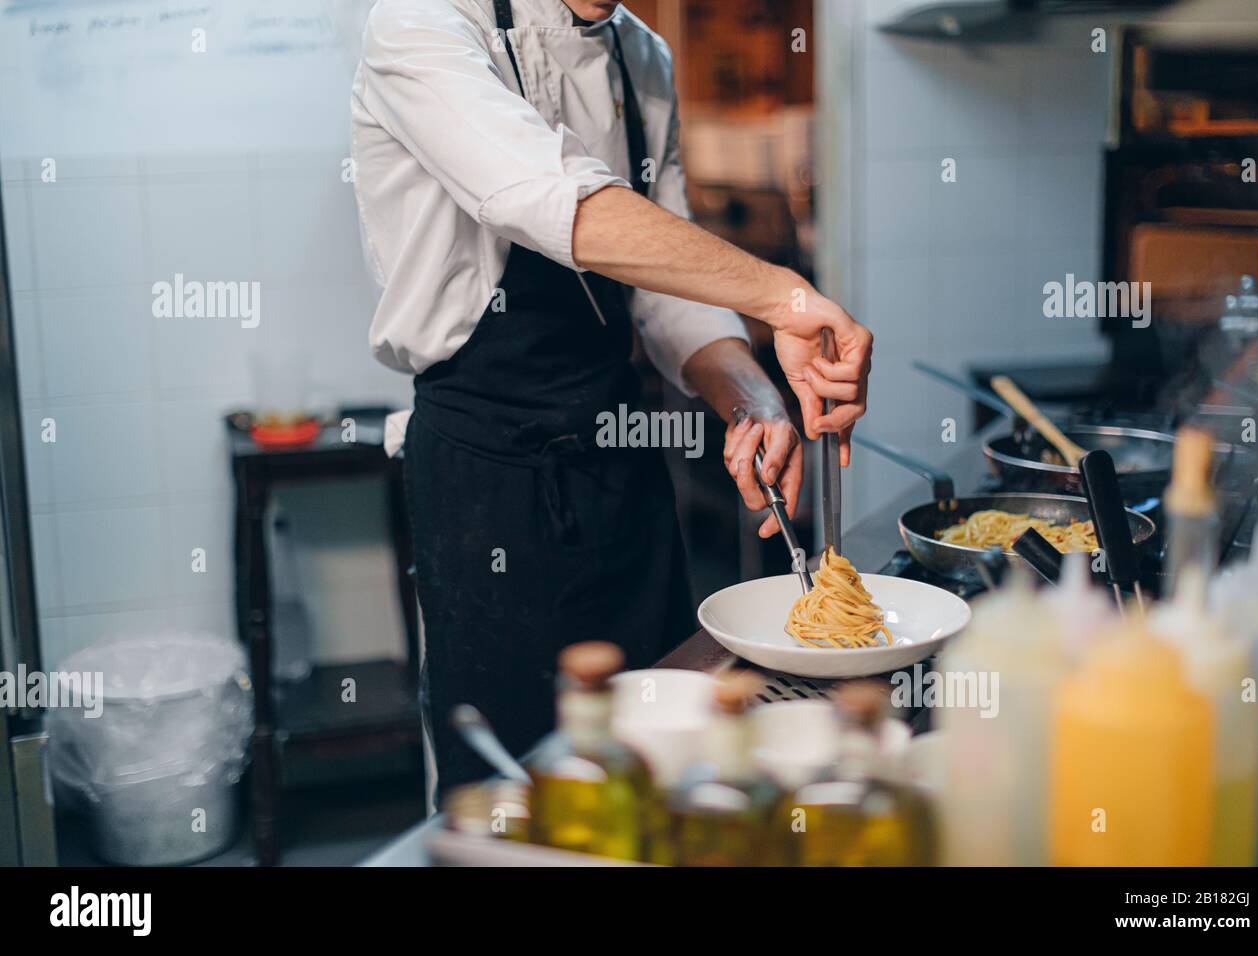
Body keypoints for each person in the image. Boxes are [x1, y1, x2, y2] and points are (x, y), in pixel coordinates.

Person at [351, 0, 873, 799]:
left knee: (660, 752)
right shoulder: (420, 23)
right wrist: (784, 296)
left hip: (621, 466)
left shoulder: (643, 56)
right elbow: (553, 198)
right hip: (487, 476)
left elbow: (666, 286)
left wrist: (750, 396)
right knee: (517, 788)